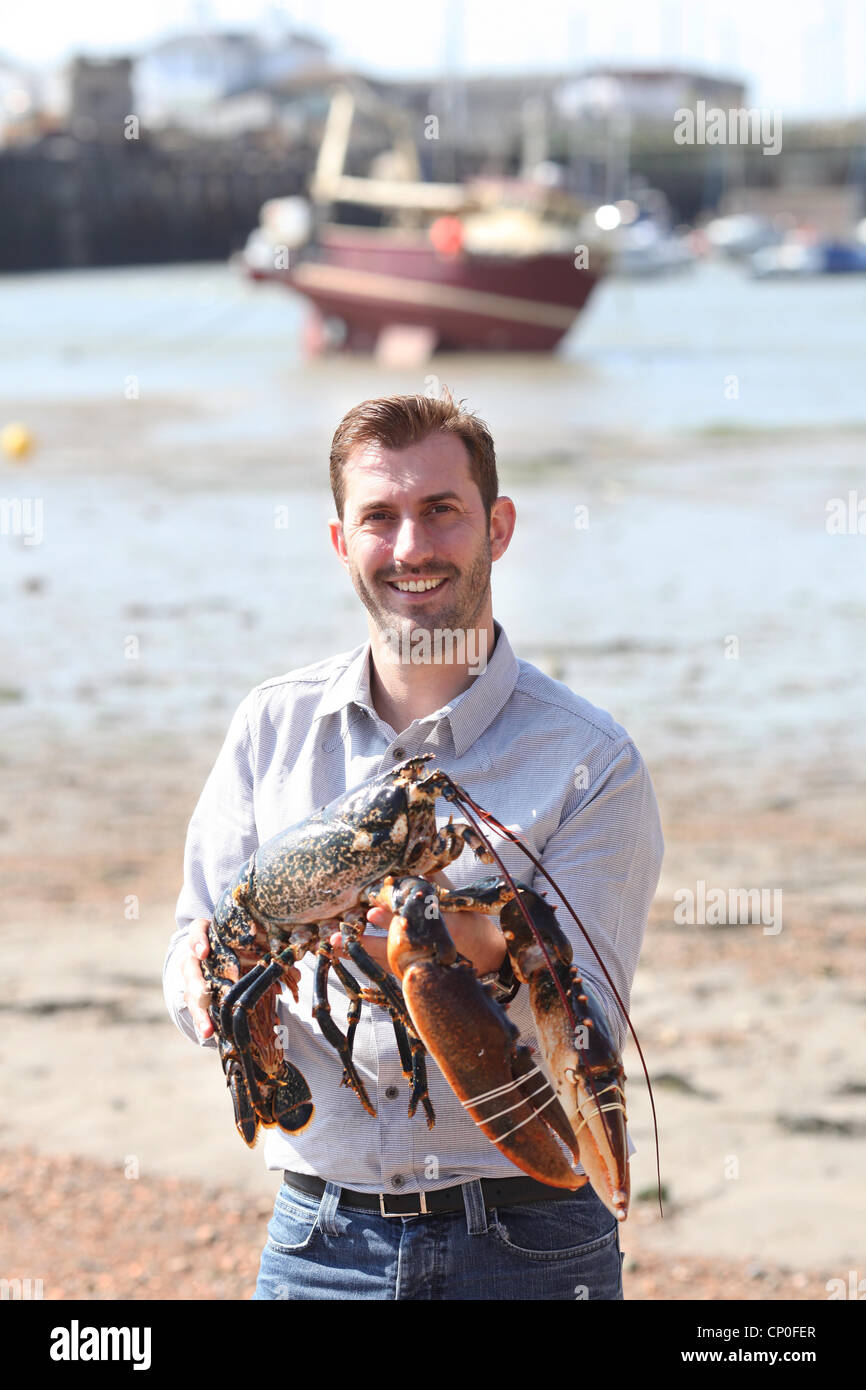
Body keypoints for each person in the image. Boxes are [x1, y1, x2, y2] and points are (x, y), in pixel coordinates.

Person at [163, 389, 664, 1301]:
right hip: (318, 1239)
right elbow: (187, 944)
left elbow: (584, 1007)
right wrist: (212, 991)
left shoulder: (591, 761)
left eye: (441, 511)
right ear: (340, 542)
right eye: (379, 517)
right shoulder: (270, 726)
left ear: (498, 526)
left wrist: (431, 940)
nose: (411, 548)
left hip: (531, 1237)